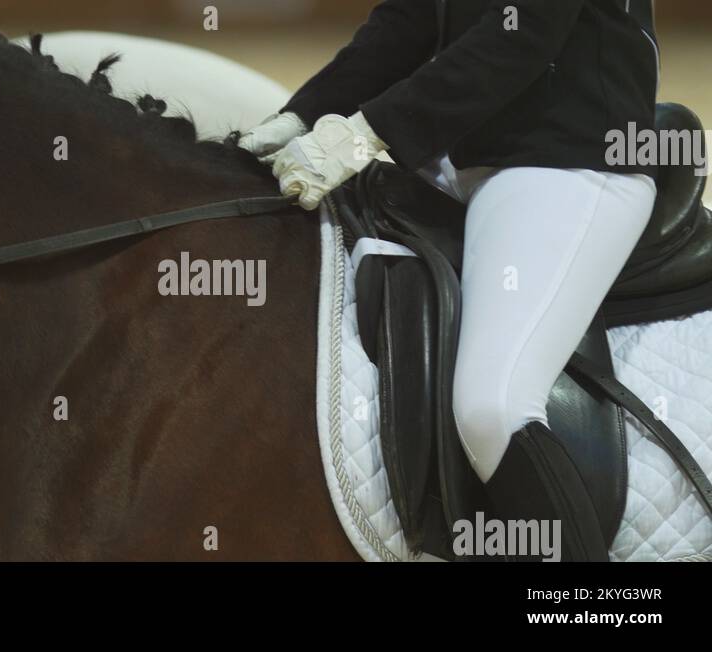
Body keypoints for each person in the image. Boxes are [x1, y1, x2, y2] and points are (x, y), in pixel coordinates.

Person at [241, 0, 661, 561]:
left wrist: (366, 134)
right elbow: (408, 20)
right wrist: (301, 117)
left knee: (494, 408)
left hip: (569, 159)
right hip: (455, 160)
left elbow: (526, 32)